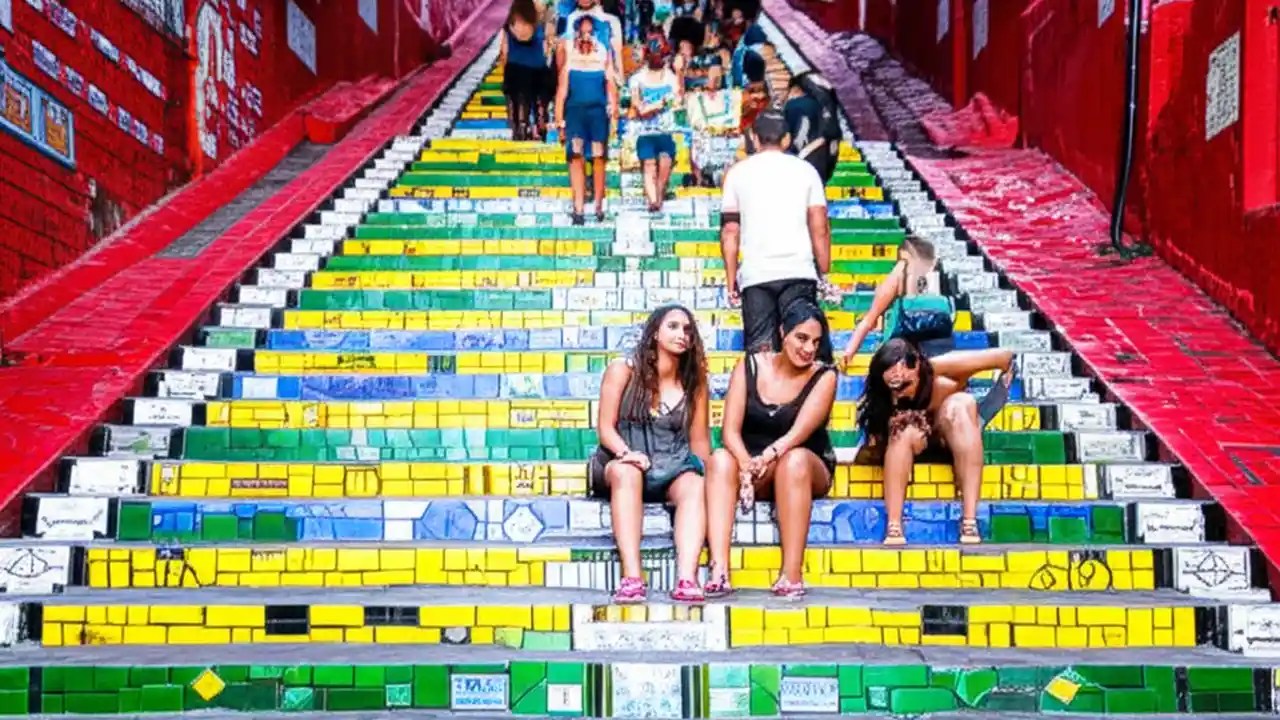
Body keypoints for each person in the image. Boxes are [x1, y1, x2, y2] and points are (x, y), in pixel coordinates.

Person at [704, 302, 837, 598]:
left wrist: (766, 456)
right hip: (750, 465)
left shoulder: (825, 376)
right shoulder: (750, 364)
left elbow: (798, 434)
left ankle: (791, 574)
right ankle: (720, 570)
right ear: (783, 333)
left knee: (794, 461)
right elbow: (729, 431)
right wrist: (746, 466)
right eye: (801, 338)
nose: (808, 349)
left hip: (801, 464)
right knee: (719, 460)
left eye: (815, 342)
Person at [592, 305, 711, 603]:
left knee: (695, 483)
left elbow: (699, 444)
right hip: (621, 459)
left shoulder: (694, 384)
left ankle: (687, 578)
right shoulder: (623, 371)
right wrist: (626, 453)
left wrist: (713, 484)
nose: (681, 335)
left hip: (671, 464)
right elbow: (605, 429)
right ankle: (632, 577)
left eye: (687, 330)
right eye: (672, 327)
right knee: (626, 472)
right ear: (655, 333)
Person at [856, 339, 1015, 546]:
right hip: (910, 441)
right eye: (892, 387)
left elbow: (1004, 358)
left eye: (904, 384)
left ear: (917, 368)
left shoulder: (941, 369)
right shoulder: (881, 396)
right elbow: (871, 446)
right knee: (902, 430)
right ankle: (894, 525)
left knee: (961, 404)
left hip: (953, 430)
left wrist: (989, 406)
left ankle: (969, 520)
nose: (898, 393)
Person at [721, 110, 831, 354]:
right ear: (787, 139)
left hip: (756, 275)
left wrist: (731, 282)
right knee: (802, 347)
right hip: (798, 271)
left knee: (762, 353)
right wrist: (824, 273)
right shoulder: (806, 171)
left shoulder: (737, 173)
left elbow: (730, 230)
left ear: (754, 137)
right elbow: (819, 226)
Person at [840, 234, 953, 364]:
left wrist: (847, 356)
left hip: (913, 352)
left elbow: (869, 320)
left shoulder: (909, 273)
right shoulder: (915, 274)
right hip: (921, 354)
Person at [556, 14, 619, 224]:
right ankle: (579, 208)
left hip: (597, 113)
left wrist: (614, 111)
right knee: (575, 155)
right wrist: (559, 119)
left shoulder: (602, 53)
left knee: (599, 156)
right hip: (575, 113)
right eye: (582, 31)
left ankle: (599, 205)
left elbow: (610, 84)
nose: (586, 36)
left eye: (589, 32)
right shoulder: (571, 58)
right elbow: (562, 90)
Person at [628, 39, 682, 212]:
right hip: (645, 130)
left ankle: (658, 195)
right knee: (649, 163)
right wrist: (659, 104)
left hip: (665, 130)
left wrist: (680, 72)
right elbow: (639, 106)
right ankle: (653, 200)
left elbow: (678, 99)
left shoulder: (670, 78)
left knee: (665, 162)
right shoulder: (637, 79)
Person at [500, 0, 554, 141]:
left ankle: (520, 131)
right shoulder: (541, 19)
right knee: (539, 105)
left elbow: (504, 51)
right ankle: (539, 131)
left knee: (518, 105)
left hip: (515, 69)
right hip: (537, 69)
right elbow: (548, 43)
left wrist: (505, 71)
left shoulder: (510, 22)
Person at [783, 71, 843, 184]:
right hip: (819, 171)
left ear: (795, 90)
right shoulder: (829, 111)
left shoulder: (795, 106)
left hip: (798, 170)